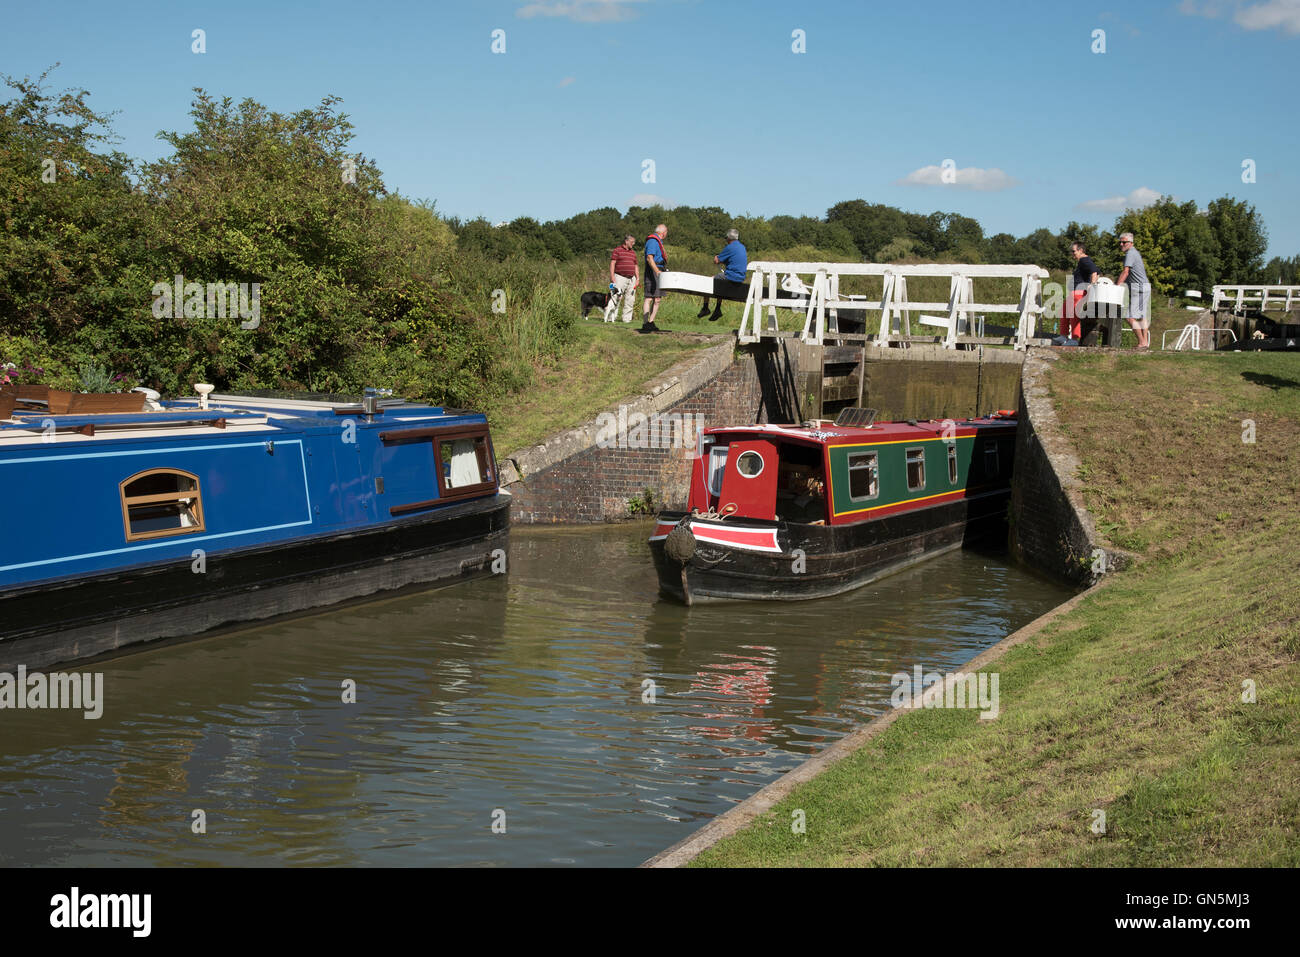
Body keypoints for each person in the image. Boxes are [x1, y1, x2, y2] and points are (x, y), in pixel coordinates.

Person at [697, 228, 748, 322]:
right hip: (740, 278)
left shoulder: (730, 247)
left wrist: (716, 258)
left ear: (728, 238)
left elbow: (717, 260)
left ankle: (705, 308)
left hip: (731, 276)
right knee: (720, 282)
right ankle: (717, 309)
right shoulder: (742, 247)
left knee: (708, 281)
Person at [1115, 232, 1151, 349]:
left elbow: (1126, 272)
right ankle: (1145, 342)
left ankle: (1142, 342)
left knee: (1129, 316)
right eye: (1120, 242)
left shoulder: (1130, 253)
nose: (1121, 244)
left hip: (1139, 288)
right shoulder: (1135, 252)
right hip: (1144, 287)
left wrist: (1117, 286)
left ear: (1131, 243)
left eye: (1124, 242)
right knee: (1142, 316)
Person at [1068, 241, 1100, 344]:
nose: (1072, 254)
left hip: (1079, 292)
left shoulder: (1084, 260)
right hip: (1075, 292)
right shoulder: (1083, 261)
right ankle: (1064, 336)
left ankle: (1074, 339)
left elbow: (1094, 271)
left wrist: (1092, 285)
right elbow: (1098, 272)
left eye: (1073, 251)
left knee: (1073, 314)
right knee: (1064, 313)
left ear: (1080, 250)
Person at [604, 234, 639, 323]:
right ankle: (611, 318)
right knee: (615, 297)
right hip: (619, 277)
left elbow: (635, 266)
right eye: (632, 242)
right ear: (626, 241)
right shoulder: (617, 250)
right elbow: (612, 263)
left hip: (632, 279)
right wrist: (612, 276)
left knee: (630, 299)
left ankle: (626, 319)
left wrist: (637, 278)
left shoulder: (633, 252)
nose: (633, 244)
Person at [640, 224, 668, 334]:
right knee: (649, 297)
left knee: (657, 298)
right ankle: (645, 322)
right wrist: (657, 271)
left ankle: (651, 322)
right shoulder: (652, 241)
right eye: (666, 232)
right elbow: (649, 258)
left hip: (660, 268)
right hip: (654, 269)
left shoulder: (659, 241)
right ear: (663, 232)